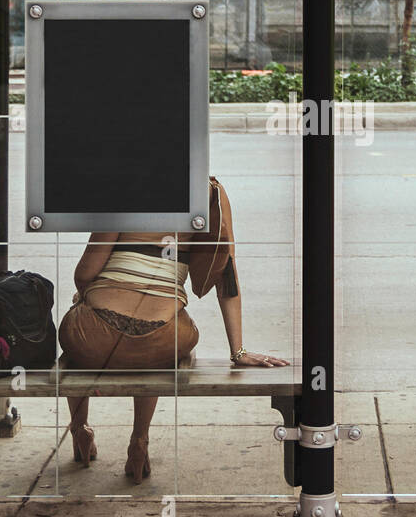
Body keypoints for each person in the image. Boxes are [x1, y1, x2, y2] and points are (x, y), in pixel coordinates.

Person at [58, 177, 287, 483]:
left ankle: (79, 428)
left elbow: (85, 273)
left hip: (95, 336)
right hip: (162, 336)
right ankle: (139, 441)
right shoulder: (209, 193)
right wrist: (238, 351)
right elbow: (226, 277)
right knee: (153, 351)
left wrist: (85, 296)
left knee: (79, 326)